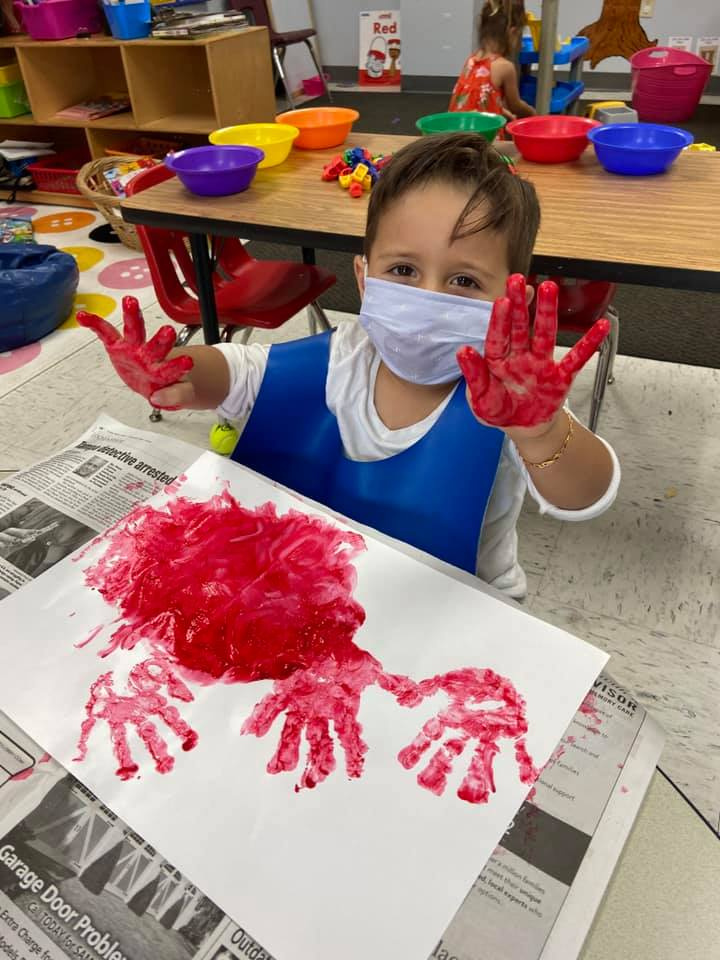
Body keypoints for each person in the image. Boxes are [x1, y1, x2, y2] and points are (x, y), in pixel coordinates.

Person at [79, 133, 619, 599]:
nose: (428, 297)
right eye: (403, 270)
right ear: (364, 278)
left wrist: (542, 433)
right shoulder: (337, 359)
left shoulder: (514, 403)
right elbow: (230, 371)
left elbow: (585, 497)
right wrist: (176, 371)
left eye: (464, 281)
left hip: (458, 610)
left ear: (514, 303)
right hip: (317, 598)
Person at [449, 0, 535, 123]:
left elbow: (475, 100)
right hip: (481, 132)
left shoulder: (471, 60)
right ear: (512, 32)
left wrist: (501, 110)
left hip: (457, 127)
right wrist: (533, 113)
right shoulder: (505, 67)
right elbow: (515, 106)